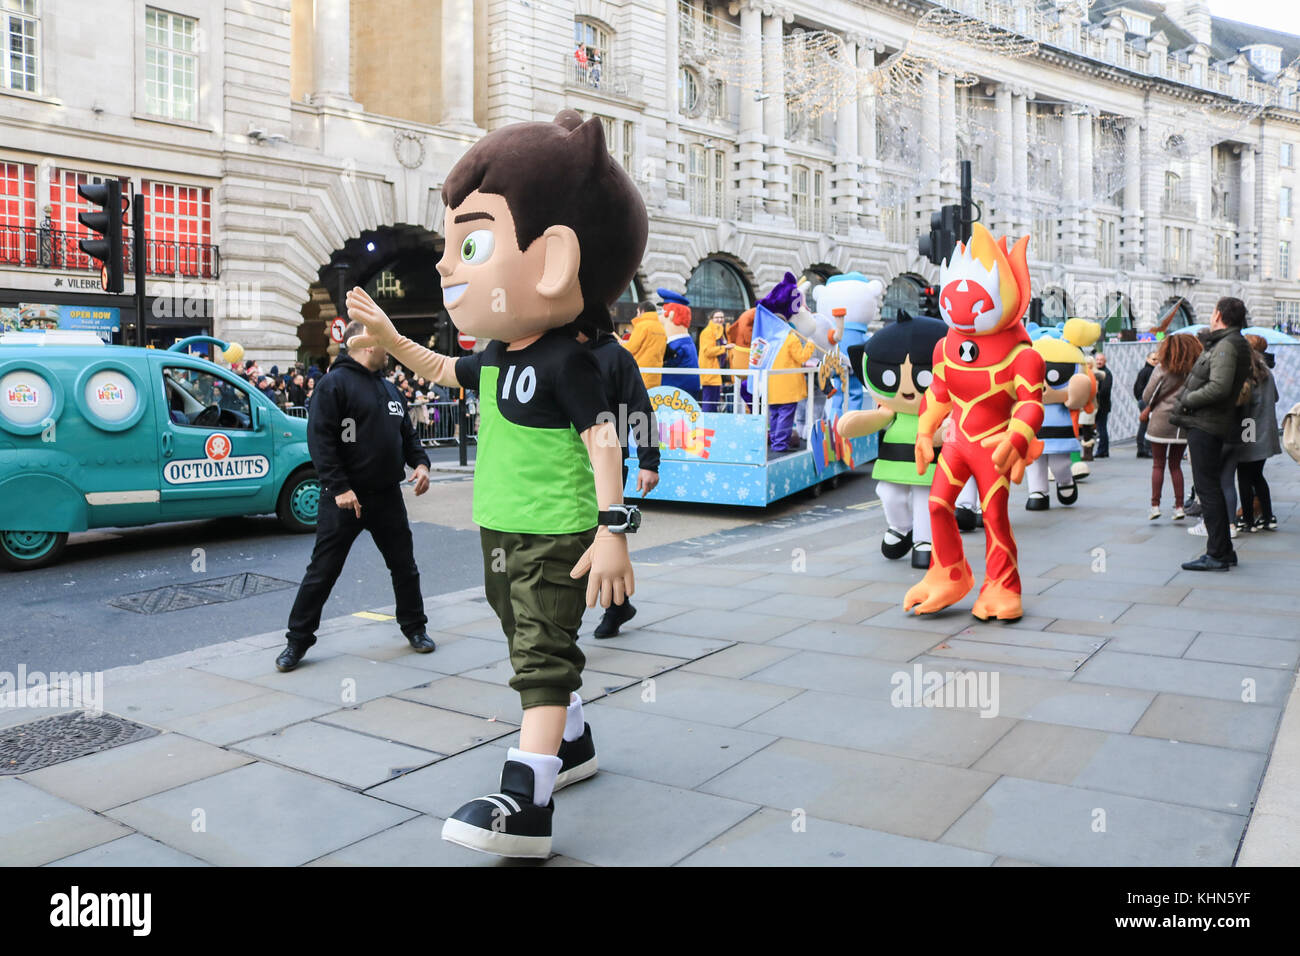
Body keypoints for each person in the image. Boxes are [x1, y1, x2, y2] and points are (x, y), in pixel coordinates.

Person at [344, 110, 644, 859]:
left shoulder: (569, 363)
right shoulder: (504, 356)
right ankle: (572, 743)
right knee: (524, 642)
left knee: (542, 653)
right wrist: (389, 339)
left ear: (551, 261)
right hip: (500, 528)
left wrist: (614, 529)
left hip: (556, 531)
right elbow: (446, 371)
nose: (447, 265)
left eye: (470, 244)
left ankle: (528, 795)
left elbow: (604, 443)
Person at [276, 320, 436, 672]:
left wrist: (421, 464)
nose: (388, 350)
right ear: (366, 344)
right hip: (344, 499)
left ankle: (415, 628)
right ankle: (296, 642)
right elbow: (321, 441)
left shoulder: (391, 389)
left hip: (387, 497)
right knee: (323, 571)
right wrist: (339, 487)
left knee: (404, 567)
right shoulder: (333, 385)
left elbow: (408, 436)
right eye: (383, 342)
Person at [583, 327, 660, 638]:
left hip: (610, 462)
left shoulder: (616, 356)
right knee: (579, 535)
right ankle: (618, 605)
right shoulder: (562, 352)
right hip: (567, 460)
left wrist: (648, 462)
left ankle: (615, 606)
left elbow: (639, 408)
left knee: (603, 533)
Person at [1169, 297, 1252, 571]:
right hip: (1208, 422)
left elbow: (1219, 387)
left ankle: (1217, 553)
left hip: (1206, 423)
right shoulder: (1226, 342)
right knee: (1210, 487)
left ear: (1218, 315)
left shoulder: (1227, 345)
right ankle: (1224, 551)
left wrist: (1187, 399)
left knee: (1208, 489)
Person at [1142, 332, 1201, 520]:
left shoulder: (1162, 368)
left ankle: (1155, 505)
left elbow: (1147, 396)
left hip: (1161, 420)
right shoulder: (1196, 370)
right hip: (1183, 421)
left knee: (1158, 465)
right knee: (1176, 466)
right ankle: (1178, 507)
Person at [1235, 334, 1281, 533]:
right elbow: (1276, 397)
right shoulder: (1267, 372)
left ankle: (1247, 519)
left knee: (1244, 474)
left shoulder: (1247, 372)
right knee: (1257, 475)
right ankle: (1268, 516)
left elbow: (1242, 403)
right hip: (1266, 426)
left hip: (1248, 425)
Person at [621, 299, 666, 388]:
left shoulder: (642, 326)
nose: (637, 315)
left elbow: (631, 348)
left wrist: (622, 345)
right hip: (656, 374)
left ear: (643, 311)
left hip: (641, 373)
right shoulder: (661, 327)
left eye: (638, 312)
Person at [698, 310, 730, 412]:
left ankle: (710, 425)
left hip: (716, 373)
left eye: (722, 317)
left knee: (714, 402)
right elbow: (707, 351)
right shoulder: (707, 332)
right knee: (709, 402)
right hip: (710, 373)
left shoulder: (720, 332)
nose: (720, 319)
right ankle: (705, 425)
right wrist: (725, 348)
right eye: (717, 317)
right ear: (711, 319)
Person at [1133, 350, 1157, 458]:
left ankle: (1142, 449)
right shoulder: (1150, 371)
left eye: (1157, 359)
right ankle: (1145, 449)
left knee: (1144, 425)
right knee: (1146, 426)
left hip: (1143, 401)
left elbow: (1136, 388)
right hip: (1146, 402)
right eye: (1153, 359)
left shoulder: (1144, 370)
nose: (1156, 361)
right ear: (1148, 359)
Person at [1092, 352, 1112, 457]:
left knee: (1101, 428)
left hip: (1103, 405)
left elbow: (1105, 390)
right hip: (1098, 404)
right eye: (1098, 360)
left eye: (1101, 360)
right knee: (1100, 428)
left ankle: (1102, 451)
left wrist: (1096, 393)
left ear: (1105, 362)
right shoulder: (1095, 372)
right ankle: (1104, 451)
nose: (1099, 361)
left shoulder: (1107, 373)